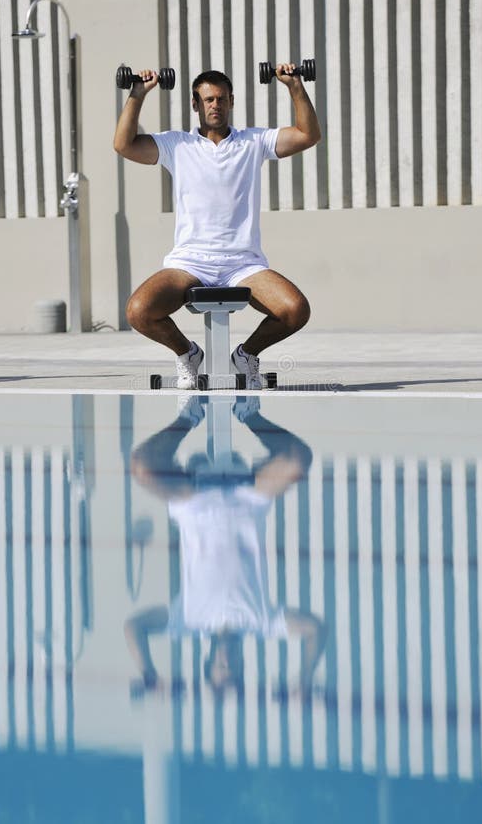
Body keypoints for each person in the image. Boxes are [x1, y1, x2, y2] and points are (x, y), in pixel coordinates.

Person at [113, 64, 321, 389]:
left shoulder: (253, 141)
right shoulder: (176, 145)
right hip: (190, 262)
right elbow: (123, 145)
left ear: (231, 102)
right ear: (195, 104)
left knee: (296, 309)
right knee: (139, 311)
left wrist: (294, 85)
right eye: (208, 99)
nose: (215, 105)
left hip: (244, 264)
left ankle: (246, 356)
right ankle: (188, 354)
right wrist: (137, 93)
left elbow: (308, 135)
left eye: (221, 99)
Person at [125, 396, 326, 698]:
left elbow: (133, 627)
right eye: (232, 667)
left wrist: (149, 675)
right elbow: (314, 629)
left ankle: (189, 416)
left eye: (220, 666)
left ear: (208, 660)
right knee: (299, 459)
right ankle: (248, 413)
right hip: (249, 500)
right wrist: (305, 678)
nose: (226, 661)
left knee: (141, 466)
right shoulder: (263, 623)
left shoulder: (187, 621)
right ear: (243, 663)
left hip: (194, 504)